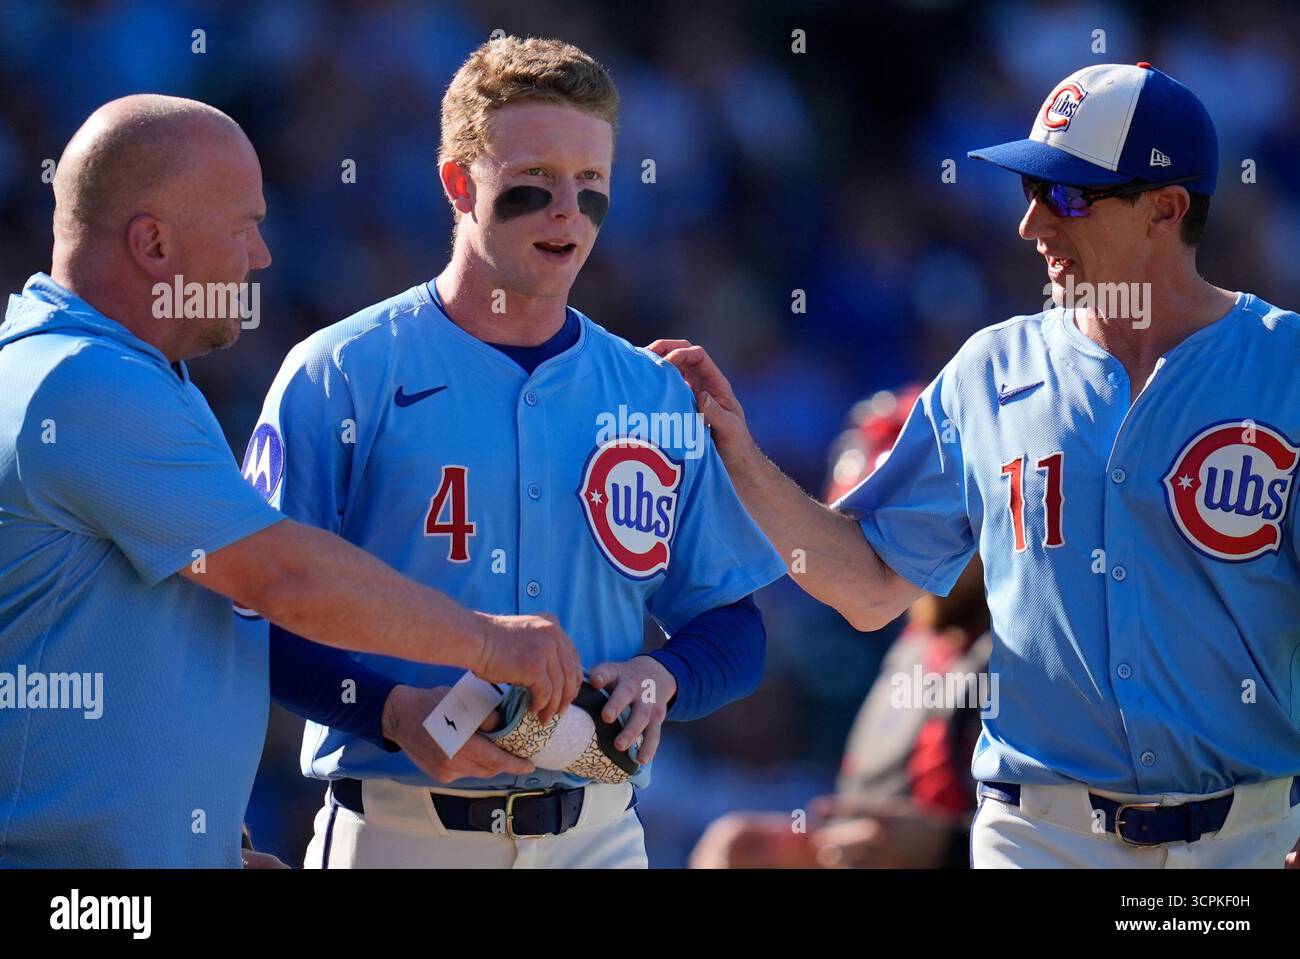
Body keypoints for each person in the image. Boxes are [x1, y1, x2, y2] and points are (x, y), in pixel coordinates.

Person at [653, 63, 1300, 868]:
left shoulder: (1285, 369)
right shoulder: (990, 371)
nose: (1031, 224)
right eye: (1030, 189)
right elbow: (869, 586)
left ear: (1165, 209)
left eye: (1066, 196)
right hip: (1040, 837)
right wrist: (741, 459)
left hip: (1249, 841)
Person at [0, 95, 580, 868]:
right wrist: (486, 639)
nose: (263, 255)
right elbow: (285, 577)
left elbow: (169, 633)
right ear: (153, 244)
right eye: (243, 225)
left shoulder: (109, 373)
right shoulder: (83, 383)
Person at [248, 36, 786, 868]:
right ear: (459, 183)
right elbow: (251, 614)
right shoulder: (342, 372)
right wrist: (390, 710)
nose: (568, 209)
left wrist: (665, 674)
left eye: (593, 183)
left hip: (596, 829)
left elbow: (732, 622)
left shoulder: (650, 392)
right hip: (400, 827)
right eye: (534, 181)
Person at [690, 388, 990, 869]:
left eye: (916, 532)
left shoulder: (1039, 652)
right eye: (872, 533)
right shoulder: (912, 651)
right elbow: (882, 826)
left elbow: (1097, 844)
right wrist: (800, 851)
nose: (899, 555)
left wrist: (945, 848)